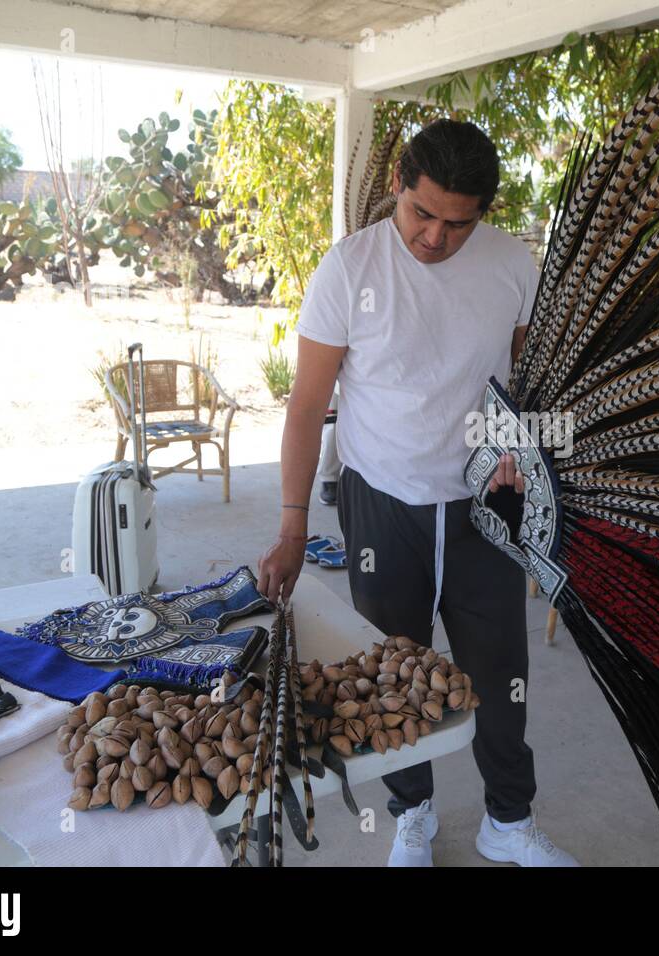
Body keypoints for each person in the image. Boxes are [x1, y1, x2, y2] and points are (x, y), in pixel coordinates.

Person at [257, 119, 578, 867]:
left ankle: (508, 820)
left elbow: (530, 383)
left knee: (500, 674)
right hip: (382, 498)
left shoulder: (511, 265)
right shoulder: (349, 268)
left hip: (481, 505)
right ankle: (414, 813)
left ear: (484, 214)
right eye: (421, 214)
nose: (434, 238)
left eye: (456, 224)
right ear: (398, 186)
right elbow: (307, 405)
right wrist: (292, 524)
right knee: (393, 672)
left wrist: (521, 449)